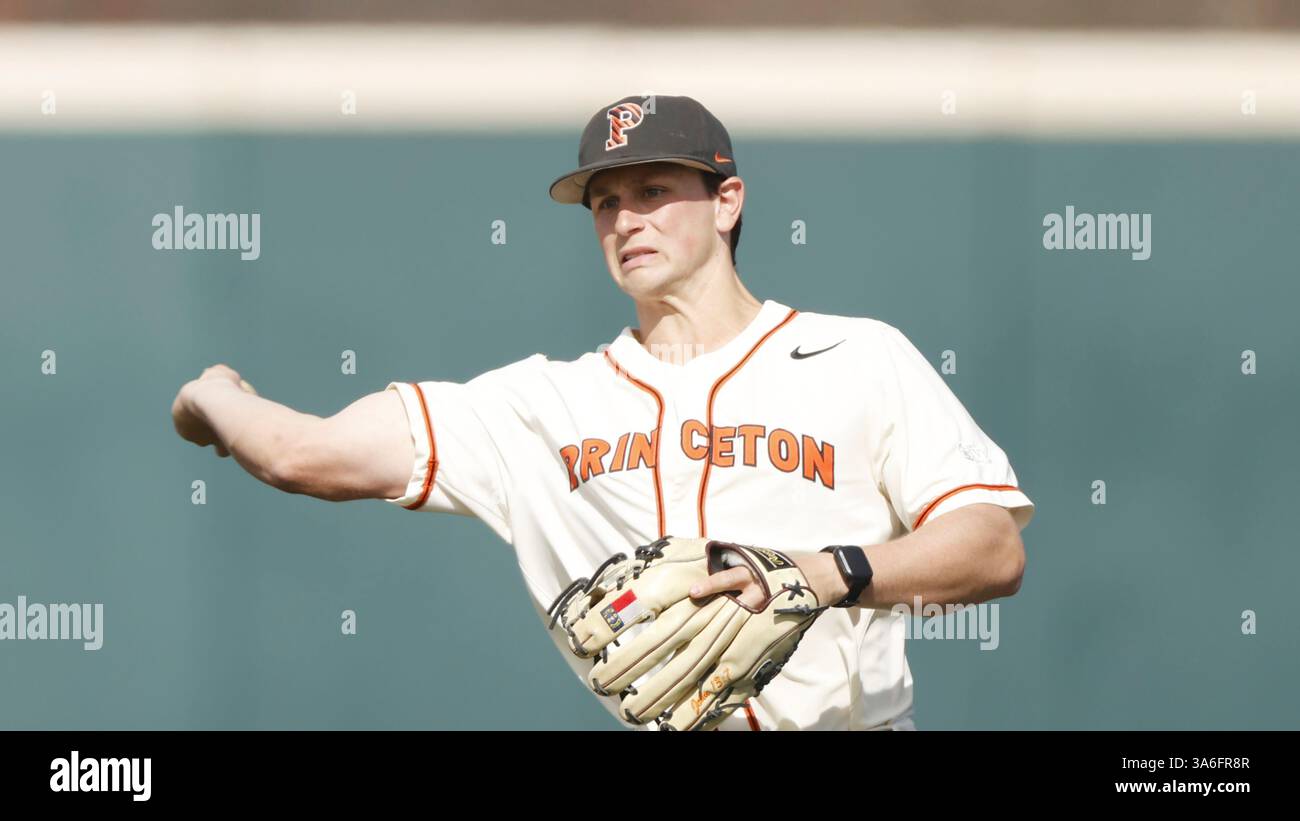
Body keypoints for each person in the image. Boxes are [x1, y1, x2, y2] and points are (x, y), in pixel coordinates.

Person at [171, 94, 1034, 731]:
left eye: (654, 190)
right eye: (606, 203)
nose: (627, 218)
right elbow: (305, 456)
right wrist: (213, 397)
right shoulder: (540, 407)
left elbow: (993, 545)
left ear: (726, 201)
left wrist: (824, 572)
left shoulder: (858, 357)